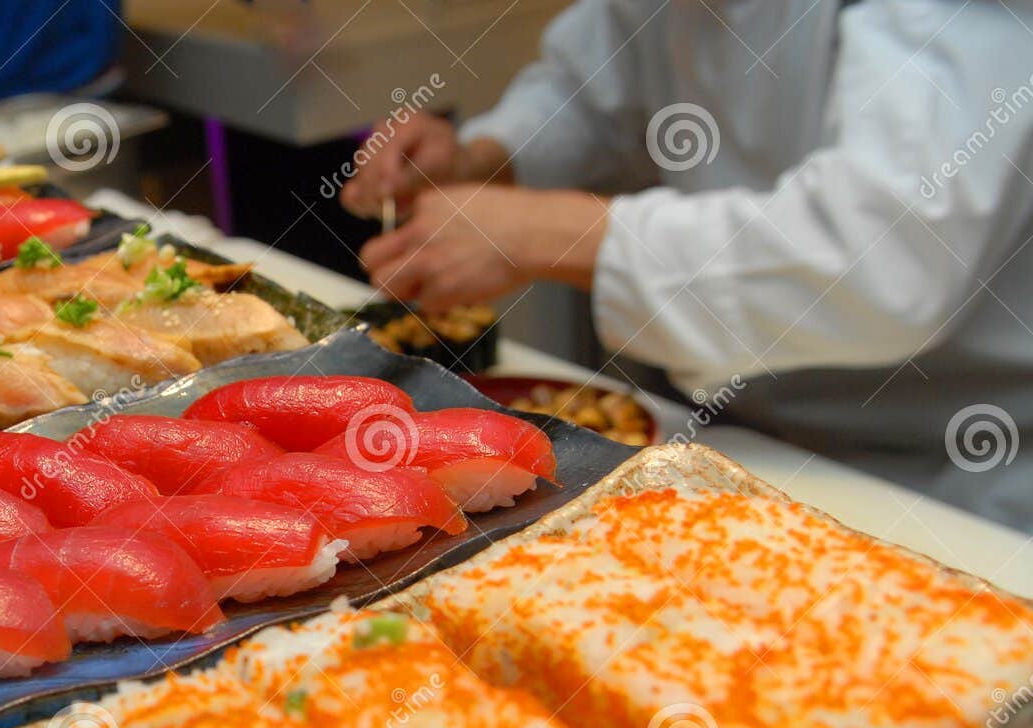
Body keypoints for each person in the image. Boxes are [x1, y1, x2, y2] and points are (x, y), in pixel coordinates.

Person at [342, 0, 1033, 529]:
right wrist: (491, 156)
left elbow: (886, 257)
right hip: (735, 434)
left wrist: (558, 233)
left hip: (942, 468)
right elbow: (597, 86)